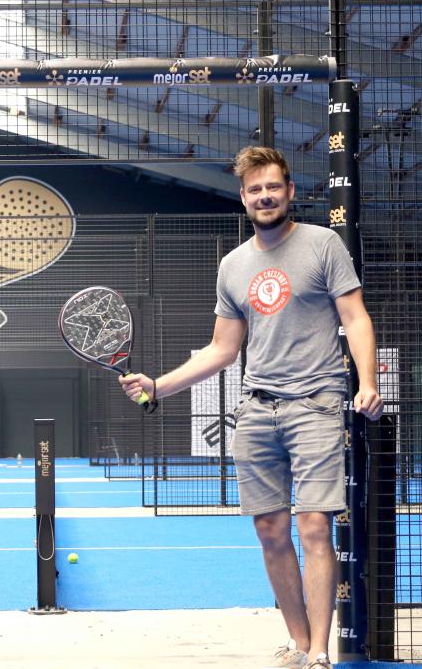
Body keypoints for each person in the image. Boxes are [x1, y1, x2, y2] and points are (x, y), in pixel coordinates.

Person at [119, 146, 382, 669]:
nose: (265, 196)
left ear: (289, 191)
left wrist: (368, 382)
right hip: (257, 410)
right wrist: (158, 385)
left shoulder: (323, 245)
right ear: (243, 198)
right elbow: (222, 349)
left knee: (313, 526)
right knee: (270, 531)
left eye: (273, 187)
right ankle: (298, 641)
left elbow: (355, 318)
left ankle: (321, 654)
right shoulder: (233, 266)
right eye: (255, 189)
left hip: (317, 404)